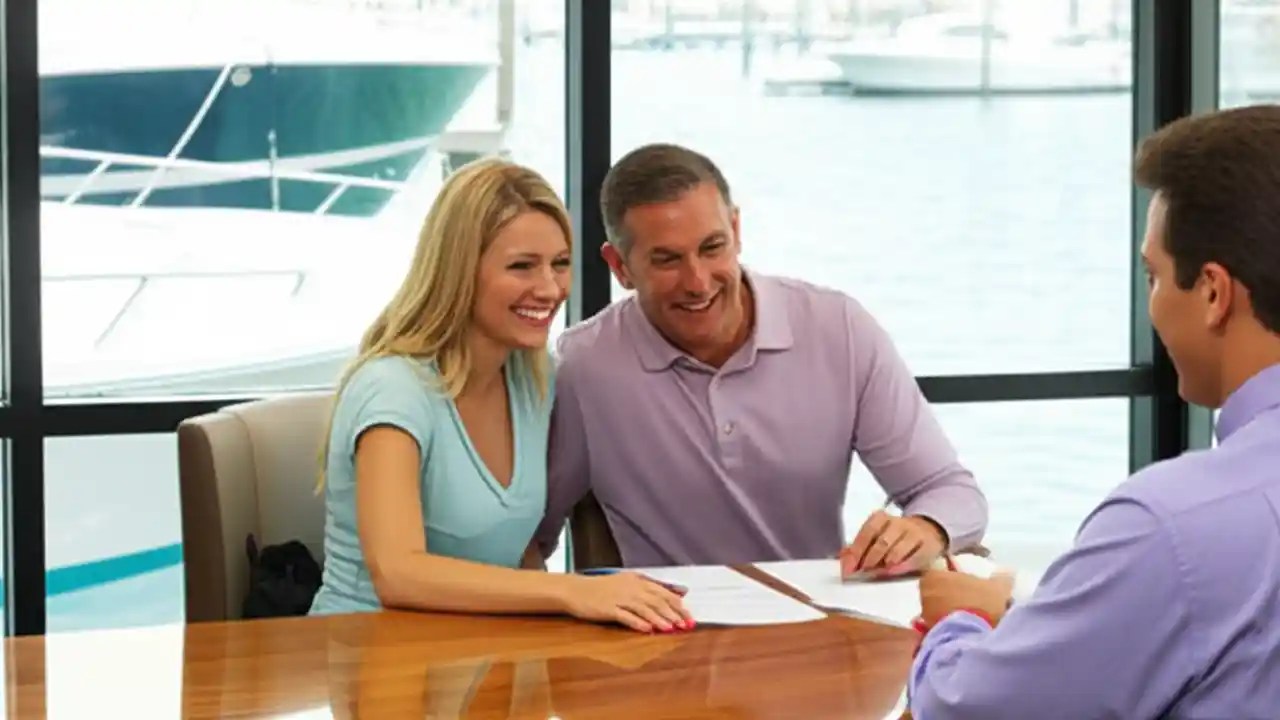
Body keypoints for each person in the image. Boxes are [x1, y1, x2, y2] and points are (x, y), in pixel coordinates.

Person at [906, 105, 1280, 719]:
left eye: (1153, 275)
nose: (1151, 304)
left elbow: (967, 710)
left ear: (1213, 293)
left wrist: (960, 622)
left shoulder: (1172, 527)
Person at [533, 143, 988, 574]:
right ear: (620, 267)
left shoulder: (839, 329)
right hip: (665, 624)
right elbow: (529, 537)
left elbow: (950, 491)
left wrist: (925, 528)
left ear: (736, 231)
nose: (698, 282)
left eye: (712, 247)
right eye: (667, 260)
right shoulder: (583, 368)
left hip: (820, 616)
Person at [307, 157, 692, 634]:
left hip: (474, 652)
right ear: (459, 271)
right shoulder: (392, 388)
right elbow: (398, 573)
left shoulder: (534, 375)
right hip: (365, 651)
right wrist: (573, 591)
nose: (549, 289)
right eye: (521, 266)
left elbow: (517, 551)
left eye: (560, 264)